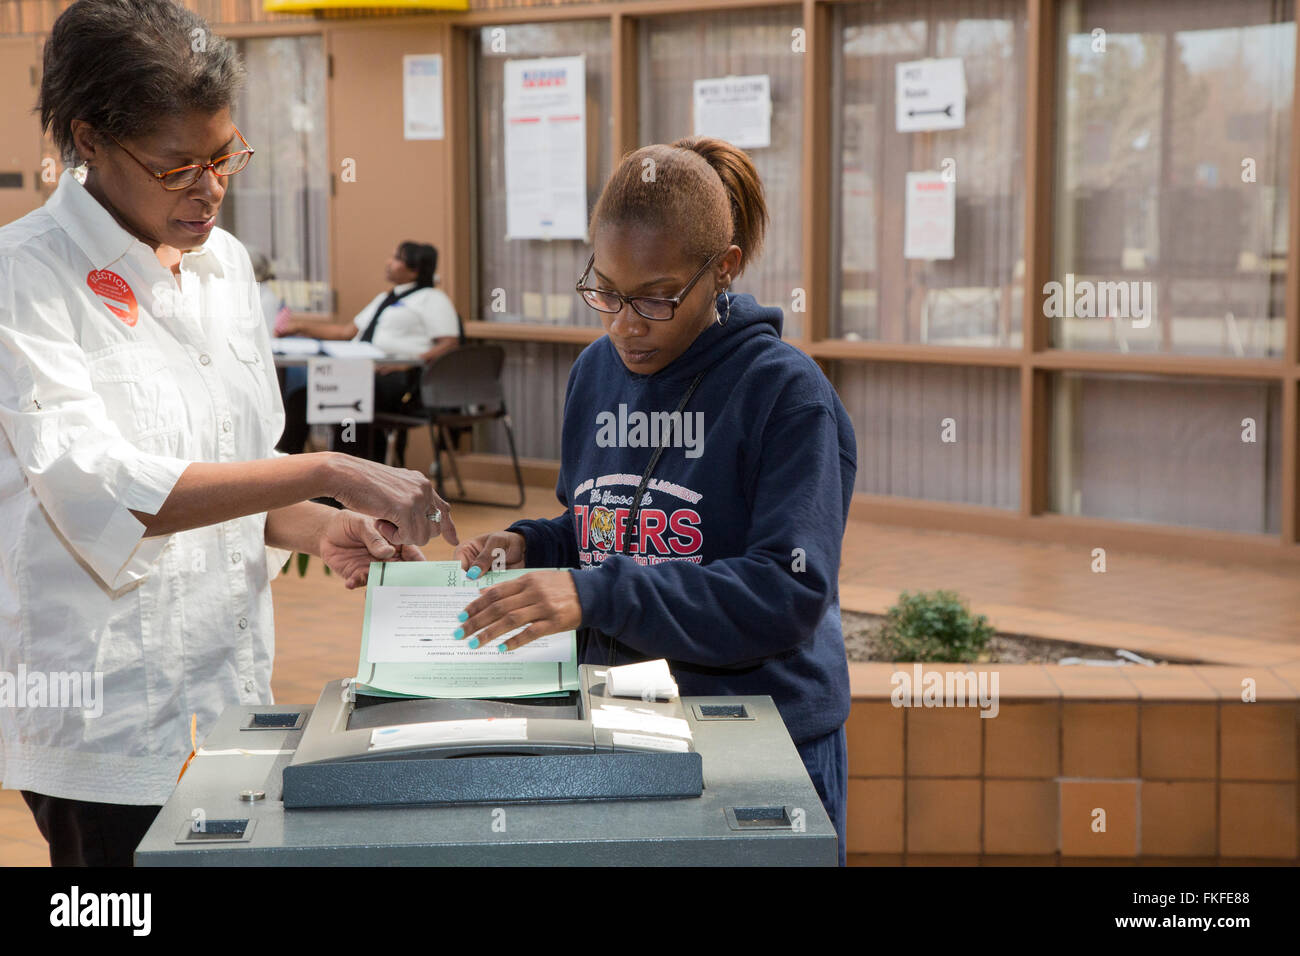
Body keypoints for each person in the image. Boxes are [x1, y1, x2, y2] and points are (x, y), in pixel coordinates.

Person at [0, 0, 457, 866]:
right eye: (176, 166)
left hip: (229, 688)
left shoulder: (225, 268)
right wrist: (329, 470)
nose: (208, 187)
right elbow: (106, 494)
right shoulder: (24, 278)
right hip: (105, 717)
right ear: (87, 141)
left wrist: (326, 524)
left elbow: (244, 476)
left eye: (223, 156)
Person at [453, 137, 857, 866]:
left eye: (656, 296)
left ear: (722, 269)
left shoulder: (785, 394)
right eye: (605, 290)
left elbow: (785, 589)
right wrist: (535, 546)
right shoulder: (593, 374)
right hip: (619, 732)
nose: (624, 323)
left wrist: (594, 592)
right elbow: (602, 532)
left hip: (764, 740)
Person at [275, 242, 461, 462]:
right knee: (300, 398)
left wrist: (408, 362)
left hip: (401, 380)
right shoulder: (386, 298)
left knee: (347, 398)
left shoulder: (432, 299)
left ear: (415, 270)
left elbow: (449, 343)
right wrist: (300, 327)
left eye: (397, 259)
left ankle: (346, 479)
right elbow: (346, 332)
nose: (388, 263)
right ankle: (288, 471)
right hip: (361, 372)